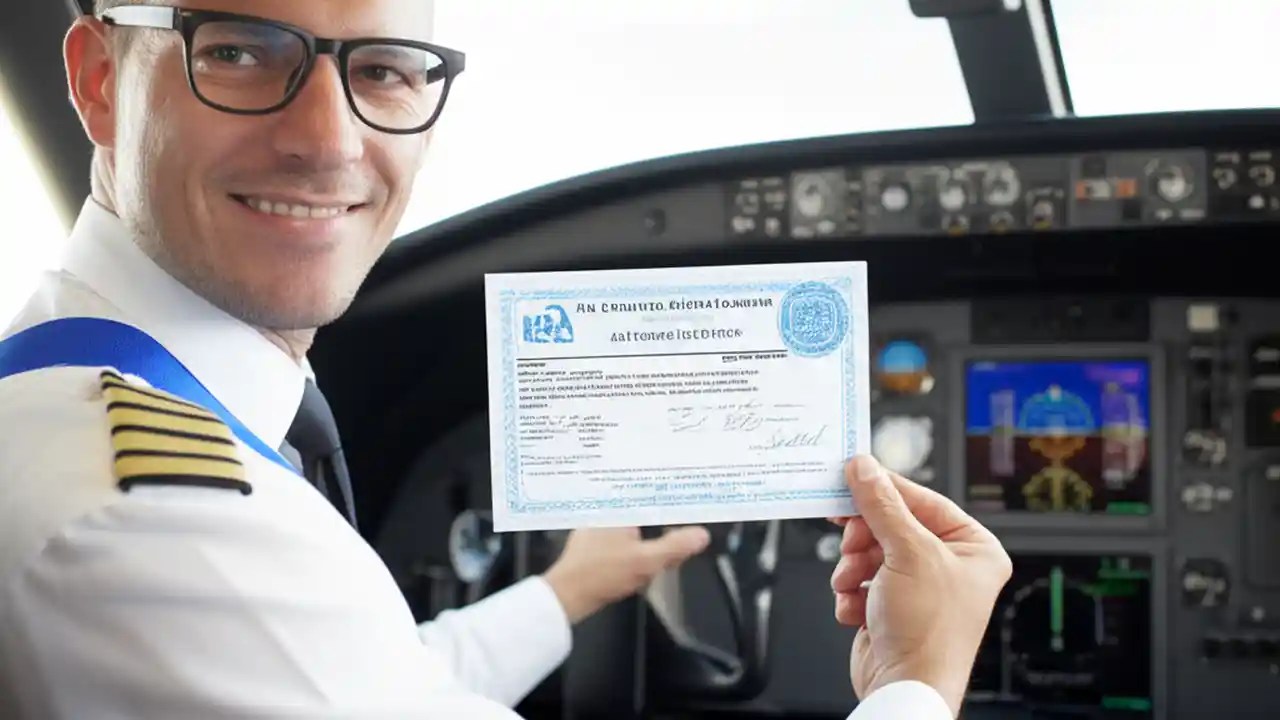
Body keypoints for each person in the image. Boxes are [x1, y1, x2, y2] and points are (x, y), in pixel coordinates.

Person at [0, 1, 1011, 718]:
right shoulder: (148, 518)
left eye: (384, 70)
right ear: (99, 83)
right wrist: (917, 679)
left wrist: (567, 590)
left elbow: (365, 682)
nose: (328, 139)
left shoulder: (86, 383)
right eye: (238, 53)